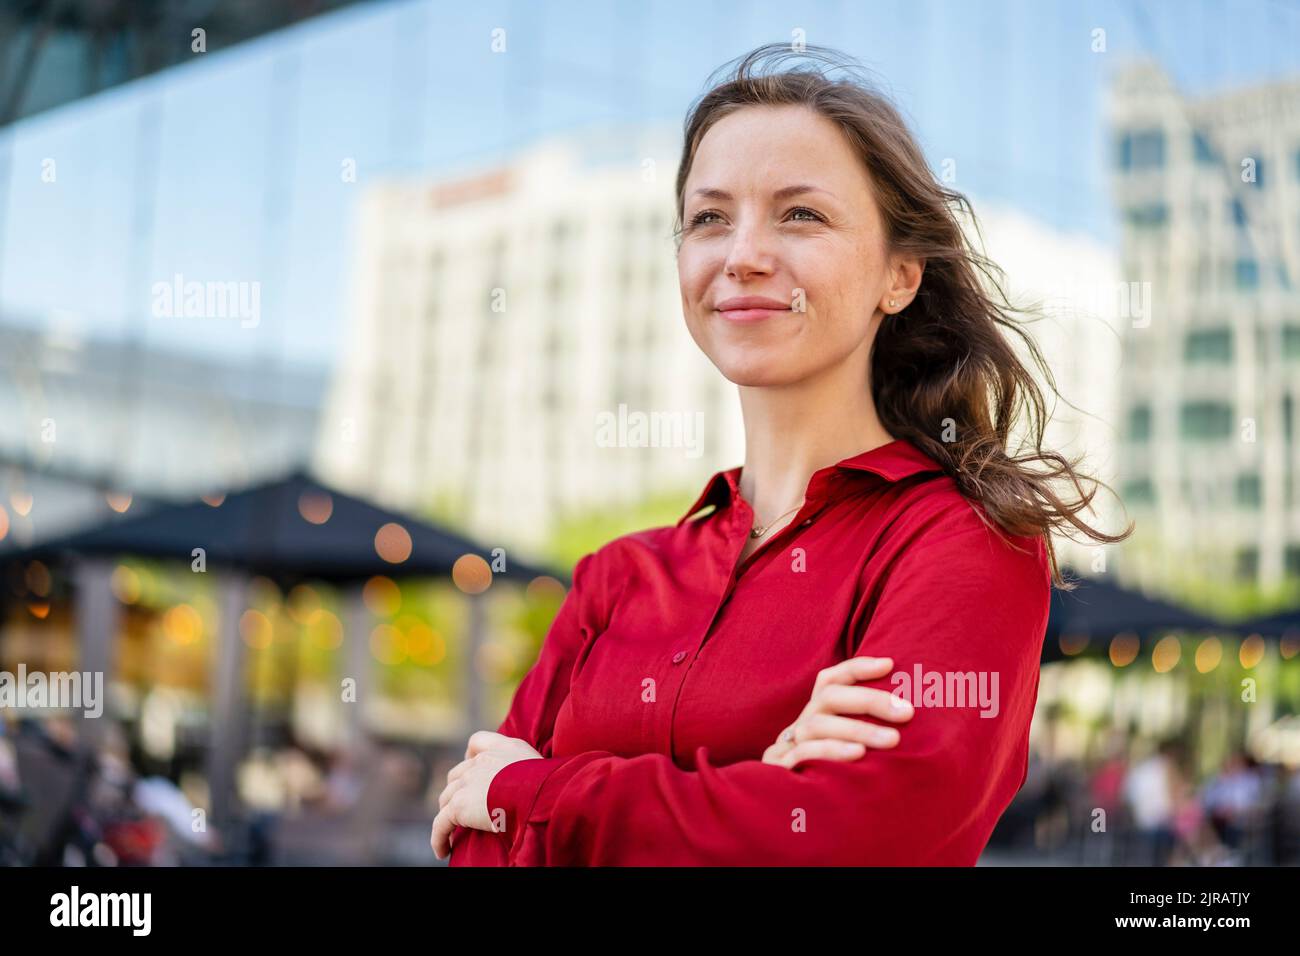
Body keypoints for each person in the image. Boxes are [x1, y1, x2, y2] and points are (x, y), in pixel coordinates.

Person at [433, 42, 1130, 866]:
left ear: (900, 275)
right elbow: (472, 848)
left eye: (801, 214)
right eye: (709, 217)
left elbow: (857, 838)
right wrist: (763, 789)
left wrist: (536, 794)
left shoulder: (964, 543)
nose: (744, 254)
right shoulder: (615, 578)